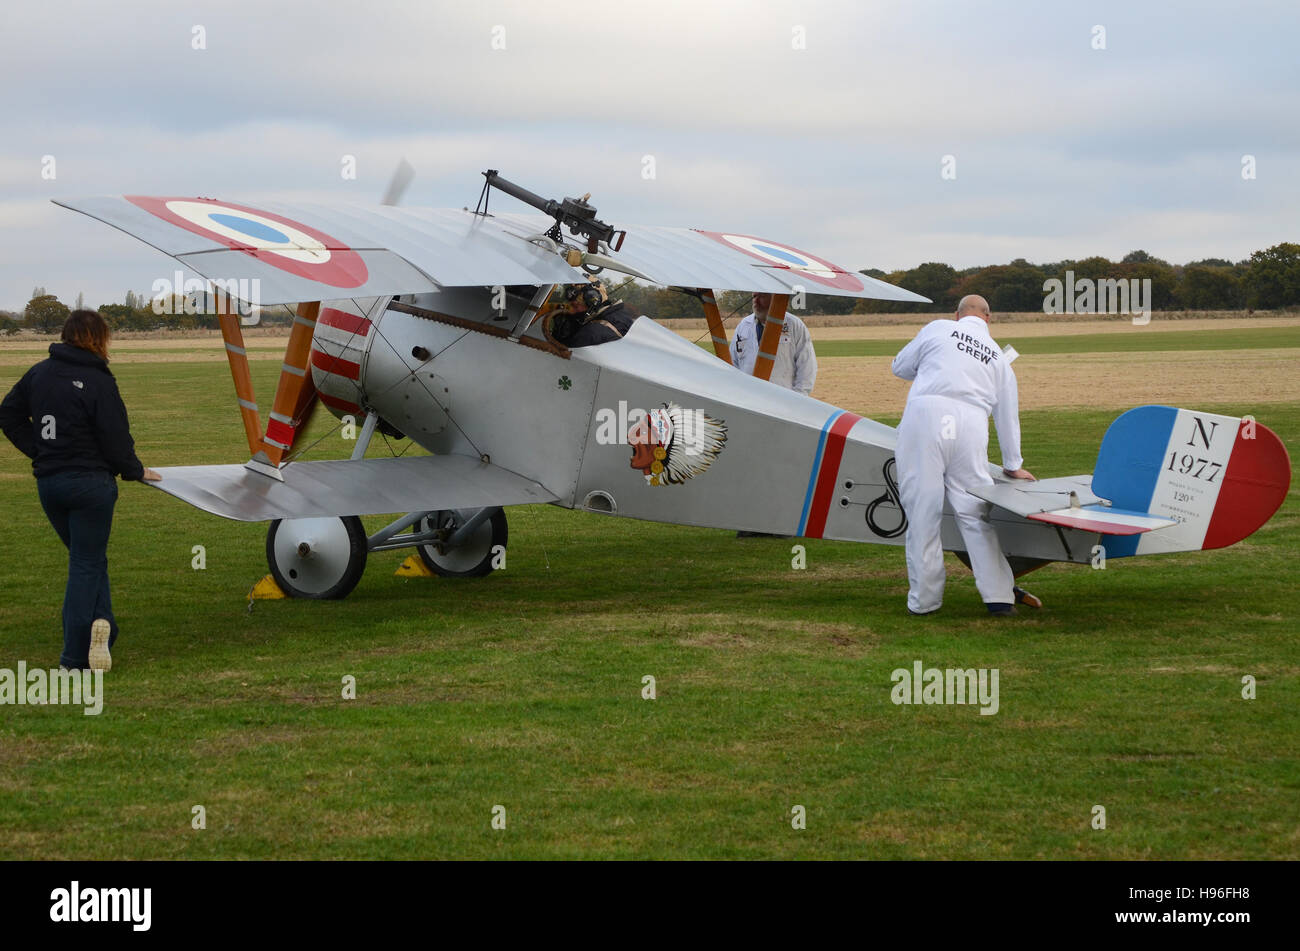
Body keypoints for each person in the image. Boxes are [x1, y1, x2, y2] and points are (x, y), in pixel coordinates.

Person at [0, 309, 161, 670]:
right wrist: (135, 471)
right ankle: (74, 658)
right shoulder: (100, 380)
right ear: (99, 338)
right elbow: (116, 439)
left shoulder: (38, 373)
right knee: (85, 564)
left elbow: (7, 414)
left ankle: (104, 629)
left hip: (51, 485)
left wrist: (40, 450)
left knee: (88, 559)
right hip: (91, 487)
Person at [890, 295, 1039, 617]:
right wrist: (1013, 465)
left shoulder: (938, 328)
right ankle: (999, 599)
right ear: (988, 319)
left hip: (927, 416)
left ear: (957, 315)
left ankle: (924, 601)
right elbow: (1007, 416)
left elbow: (900, 367)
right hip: (972, 425)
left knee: (923, 512)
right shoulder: (999, 359)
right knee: (974, 514)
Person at [729, 291, 817, 396]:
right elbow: (733, 363)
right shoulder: (743, 325)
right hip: (748, 398)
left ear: (774, 298)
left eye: (762, 296)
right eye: (754, 297)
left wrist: (798, 398)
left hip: (783, 399)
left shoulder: (794, 324)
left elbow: (807, 367)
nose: (756, 302)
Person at [550, 279, 638, 348]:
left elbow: (560, 352)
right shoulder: (621, 319)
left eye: (575, 306)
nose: (572, 310)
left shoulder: (593, 332)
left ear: (592, 302)